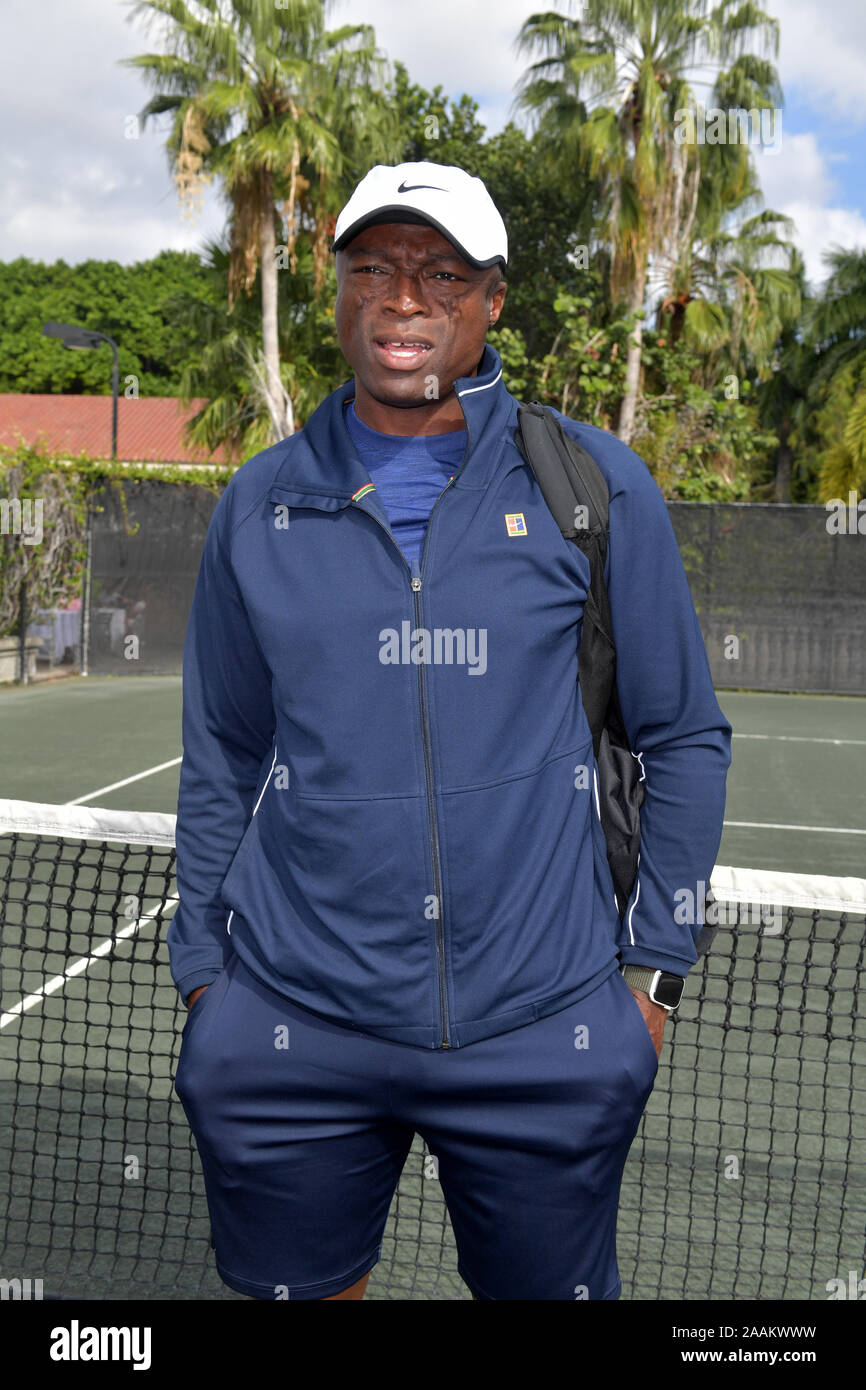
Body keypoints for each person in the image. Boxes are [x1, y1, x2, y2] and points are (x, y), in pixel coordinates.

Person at [169, 161, 732, 1301]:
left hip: (545, 1028)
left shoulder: (594, 486)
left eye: (440, 272)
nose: (402, 296)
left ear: (491, 301)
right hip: (291, 1024)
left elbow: (680, 736)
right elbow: (225, 747)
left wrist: (649, 983)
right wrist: (202, 984)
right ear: (336, 292)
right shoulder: (260, 503)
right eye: (371, 266)